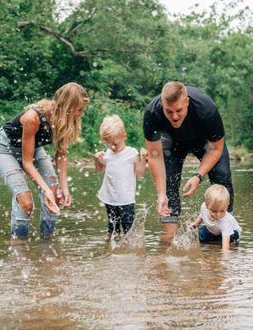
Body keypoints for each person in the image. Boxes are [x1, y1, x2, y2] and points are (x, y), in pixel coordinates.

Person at [0, 82, 89, 241]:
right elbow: (27, 162)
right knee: (26, 202)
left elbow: (61, 154)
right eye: (79, 110)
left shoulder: (64, 120)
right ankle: (20, 247)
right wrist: (45, 190)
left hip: (32, 148)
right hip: (5, 149)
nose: (81, 114)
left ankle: (47, 244)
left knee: (55, 194)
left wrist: (64, 188)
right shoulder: (33, 117)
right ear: (67, 108)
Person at [143, 81, 234, 236]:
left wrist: (198, 176)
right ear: (162, 105)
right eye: (169, 112)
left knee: (222, 177)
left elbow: (216, 149)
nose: (175, 117)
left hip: (205, 142)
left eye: (179, 110)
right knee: (169, 184)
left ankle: (225, 231)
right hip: (172, 143)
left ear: (187, 101)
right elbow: (154, 156)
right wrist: (161, 193)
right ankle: (170, 239)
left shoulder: (206, 109)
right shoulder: (152, 113)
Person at [94, 115, 147, 238]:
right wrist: (96, 159)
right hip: (110, 198)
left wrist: (143, 158)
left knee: (128, 230)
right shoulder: (107, 154)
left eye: (115, 144)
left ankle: (129, 253)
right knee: (112, 230)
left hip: (126, 200)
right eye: (109, 144)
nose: (112, 147)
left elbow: (140, 173)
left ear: (124, 136)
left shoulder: (131, 153)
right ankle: (110, 251)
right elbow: (99, 170)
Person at [189, 184, 241, 250]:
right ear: (207, 206)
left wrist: (224, 256)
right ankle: (211, 245)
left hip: (231, 232)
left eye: (222, 211)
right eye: (214, 211)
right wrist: (196, 223)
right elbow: (202, 215)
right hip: (214, 231)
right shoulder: (203, 207)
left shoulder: (225, 221)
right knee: (201, 233)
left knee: (229, 239)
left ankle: (220, 244)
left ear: (227, 206)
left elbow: (225, 246)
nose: (218, 215)